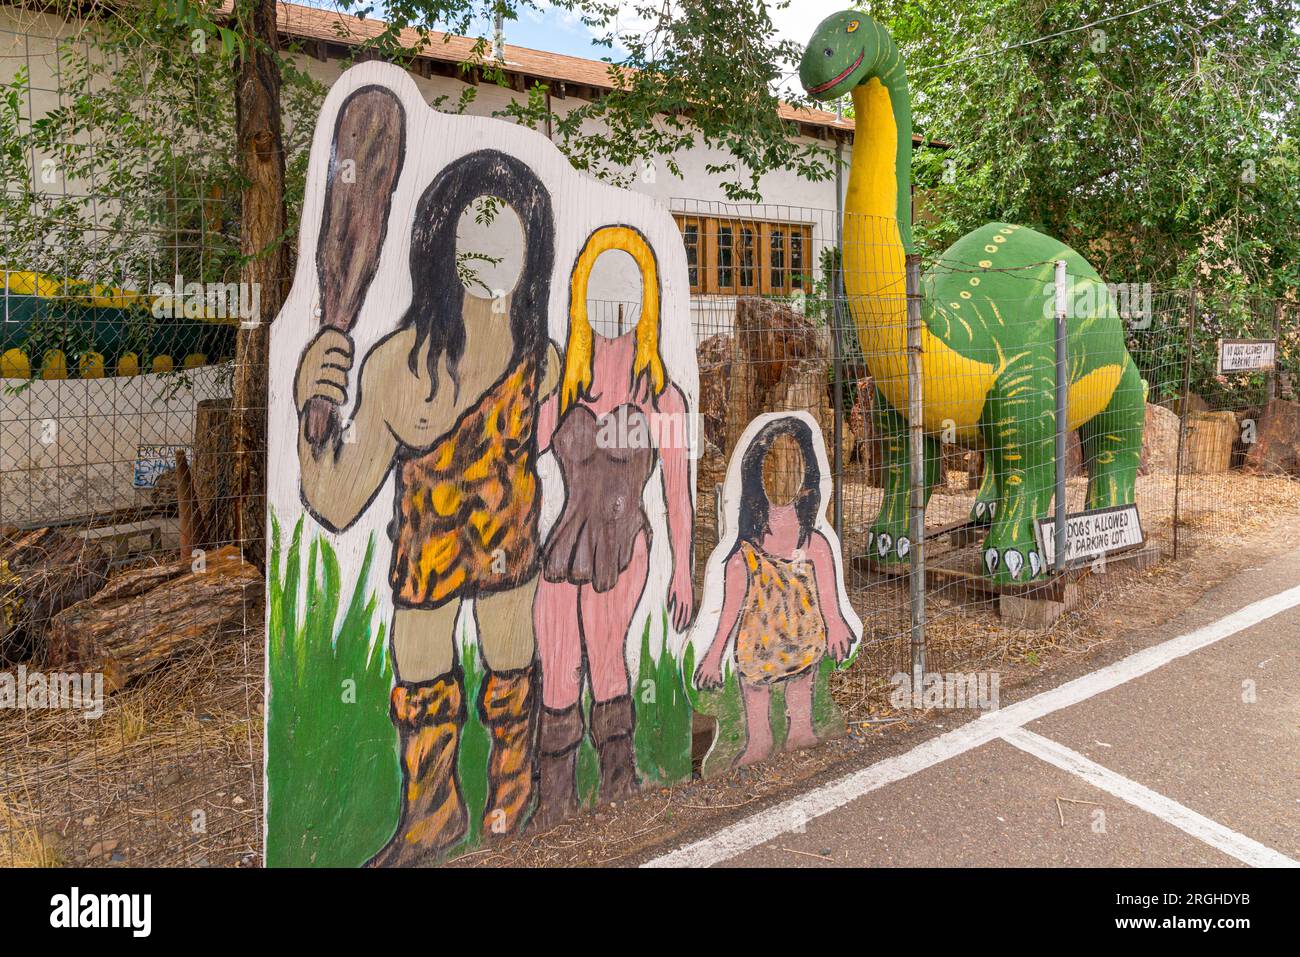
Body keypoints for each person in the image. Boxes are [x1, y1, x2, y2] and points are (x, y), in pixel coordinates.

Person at [294, 149, 561, 864]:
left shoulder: (543, 360)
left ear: (533, 252)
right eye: (474, 235)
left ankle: (513, 790)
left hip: (510, 539)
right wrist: (309, 415)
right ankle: (432, 813)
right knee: (419, 657)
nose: (490, 253)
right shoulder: (393, 370)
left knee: (511, 652)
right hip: (428, 545)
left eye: (507, 236)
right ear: (437, 244)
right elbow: (337, 501)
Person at [530, 226, 695, 827]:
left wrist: (684, 572)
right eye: (598, 287)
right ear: (579, 297)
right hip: (566, 541)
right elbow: (520, 453)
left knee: (604, 653)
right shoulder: (565, 387)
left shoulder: (663, 397)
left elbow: (678, 493)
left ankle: (619, 787)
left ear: (646, 299)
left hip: (625, 544)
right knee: (556, 660)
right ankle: (554, 803)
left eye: (628, 288)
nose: (614, 305)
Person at [693, 416, 856, 766]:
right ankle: (759, 742)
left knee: (799, 700)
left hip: (802, 642)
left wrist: (836, 623)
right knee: (756, 699)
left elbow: (827, 589)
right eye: (773, 468)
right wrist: (713, 654)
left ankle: (800, 731)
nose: (783, 480)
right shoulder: (745, 554)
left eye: (791, 467)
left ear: (805, 475)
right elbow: (729, 609)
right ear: (757, 476)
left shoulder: (811, 543)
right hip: (758, 647)